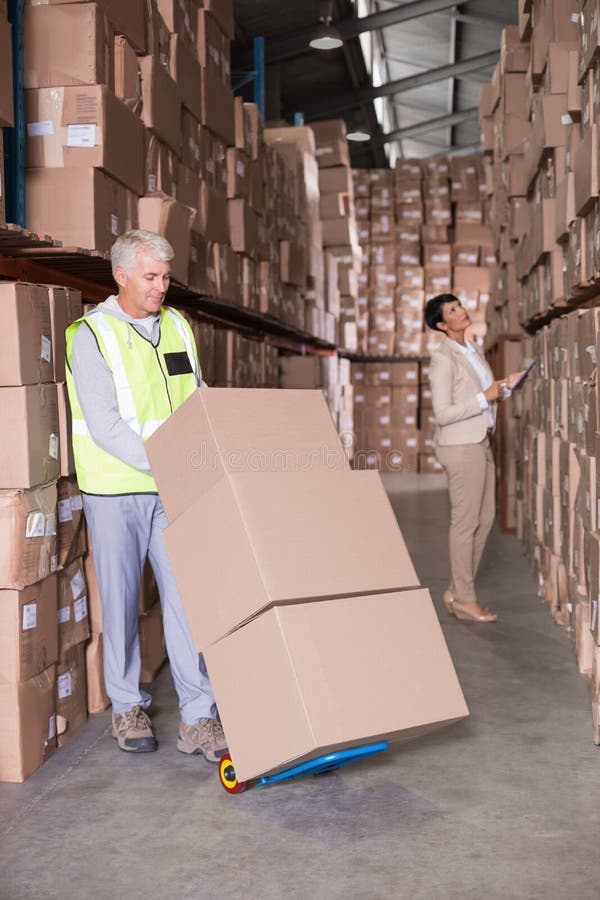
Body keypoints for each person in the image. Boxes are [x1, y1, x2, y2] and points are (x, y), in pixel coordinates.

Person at [65, 229, 228, 761]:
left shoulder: (177, 325)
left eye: (165, 277)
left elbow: (195, 393)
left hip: (175, 489)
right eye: (150, 276)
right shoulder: (91, 335)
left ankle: (199, 717)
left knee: (187, 601)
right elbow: (106, 425)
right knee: (120, 601)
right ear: (120, 276)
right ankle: (126, 706)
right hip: (116, 489)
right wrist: (168, 463)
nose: (160, 286)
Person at [424, 293, 523, 624]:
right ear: (442, 325)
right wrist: (484, 397)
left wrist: (504, 387)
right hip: (460, 446)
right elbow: (442, 413)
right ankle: (465, 598)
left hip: (480, 441)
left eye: (460, 306)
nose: (461, 311)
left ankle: (456, 591)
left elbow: (484, 394)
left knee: (485, 518)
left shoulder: (473, 349)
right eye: (452, 310)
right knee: (465, 523)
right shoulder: (443, 359)